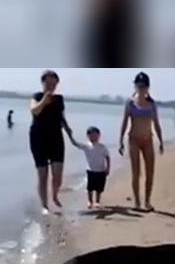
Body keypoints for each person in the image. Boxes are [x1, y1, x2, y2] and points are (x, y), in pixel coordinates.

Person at [117, 71, 164, 211]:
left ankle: (147, 201)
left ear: (148, 87)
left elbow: (156, 123)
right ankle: (137, 202)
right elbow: (125, 122)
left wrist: (161, 140)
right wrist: (120, 140)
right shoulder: (130, 103)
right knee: (136, 172)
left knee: (150, 172)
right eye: (139, 86)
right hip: (134, 140)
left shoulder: (152, 104)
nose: (141, 88)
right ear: (135, 86)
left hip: (148, 140)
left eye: (144, 86)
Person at [29, 70, 74, 214]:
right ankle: (44, 205)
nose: (51, 86)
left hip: (56, 137)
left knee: (58, 174)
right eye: (48, 83)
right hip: (38, 137)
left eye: (53, 84)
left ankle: (54, 195)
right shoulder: (36, 96)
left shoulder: (59, 99)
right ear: (43, 83)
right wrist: (44, 101)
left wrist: (68, 130)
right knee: (42, 174)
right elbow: (34, 111)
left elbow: (61, 116)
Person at [69, 126, 111, 209]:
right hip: (91, 170)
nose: (93, 137)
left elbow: (107, 157)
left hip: (101, 170)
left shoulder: (102, 147)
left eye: (95, 135)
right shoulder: (86, 146)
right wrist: (70, 136)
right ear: (87, 136)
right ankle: (90, 201)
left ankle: (97, 201)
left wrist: (107, 168)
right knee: (90, 187)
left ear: (99, 136)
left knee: (99, 188)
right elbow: (75, 144)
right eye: (91, 136)